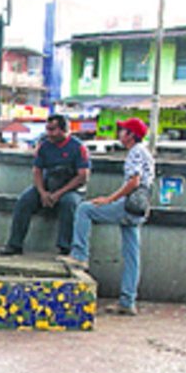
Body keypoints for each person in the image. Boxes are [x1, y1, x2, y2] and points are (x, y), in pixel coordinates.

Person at [61, 117, 155, 317]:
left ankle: (79, 255)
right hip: (139, 207)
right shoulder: (145, 152)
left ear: (130, 135)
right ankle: (127, 300)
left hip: (128, 204)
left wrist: (109, 199)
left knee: (85, 209)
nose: (120, 134)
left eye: (123, 130)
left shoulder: (135, 152)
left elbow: (134, 181)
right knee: (132, 255)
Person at [0, 114, 91, 257]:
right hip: (49, 185)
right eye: (48, 129)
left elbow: (82, 177)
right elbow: (37, 171)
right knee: (24, 201)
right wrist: (42, 192)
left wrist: (59, 193)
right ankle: (15, 244)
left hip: (71, 189)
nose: (49, 133)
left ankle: (65, 247)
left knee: (69, 203)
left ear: (63, 130)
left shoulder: (78, 148)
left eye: (53, 130)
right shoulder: (44, 146)